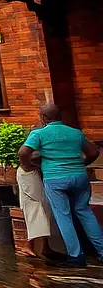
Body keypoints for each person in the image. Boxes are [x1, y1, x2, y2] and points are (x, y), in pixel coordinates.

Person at [19, 100, 103, 267]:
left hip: (55, 179)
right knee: (84, 212)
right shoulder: (75, 133)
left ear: (43, 117)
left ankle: (76, 256)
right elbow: (93, 152)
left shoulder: (39, 134)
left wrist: (28, 166)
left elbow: (23, 152)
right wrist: (80, 165)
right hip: (79, 177)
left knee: (63, 215)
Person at [17, 155, 67, 262]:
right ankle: (29, 244)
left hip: (36, 171)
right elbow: (24, 154)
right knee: (35, 207)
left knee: (45, 206)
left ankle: (45, 246)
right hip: (30, 173)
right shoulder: (35, 140)